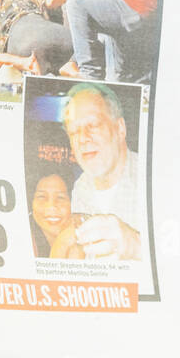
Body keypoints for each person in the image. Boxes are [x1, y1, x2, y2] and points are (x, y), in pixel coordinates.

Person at [61, 83, 144, 262]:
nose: (82, 138)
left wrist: (137, 247)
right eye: (74, 132)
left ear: (120, 128)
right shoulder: (81, 188)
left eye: (93, 124)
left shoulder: (154, 179)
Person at [28, 169, 86, 259]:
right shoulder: (26, 240)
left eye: (60, 197)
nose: (51, 206)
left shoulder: (82, 230)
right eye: (42, 197)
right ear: (31, 202)